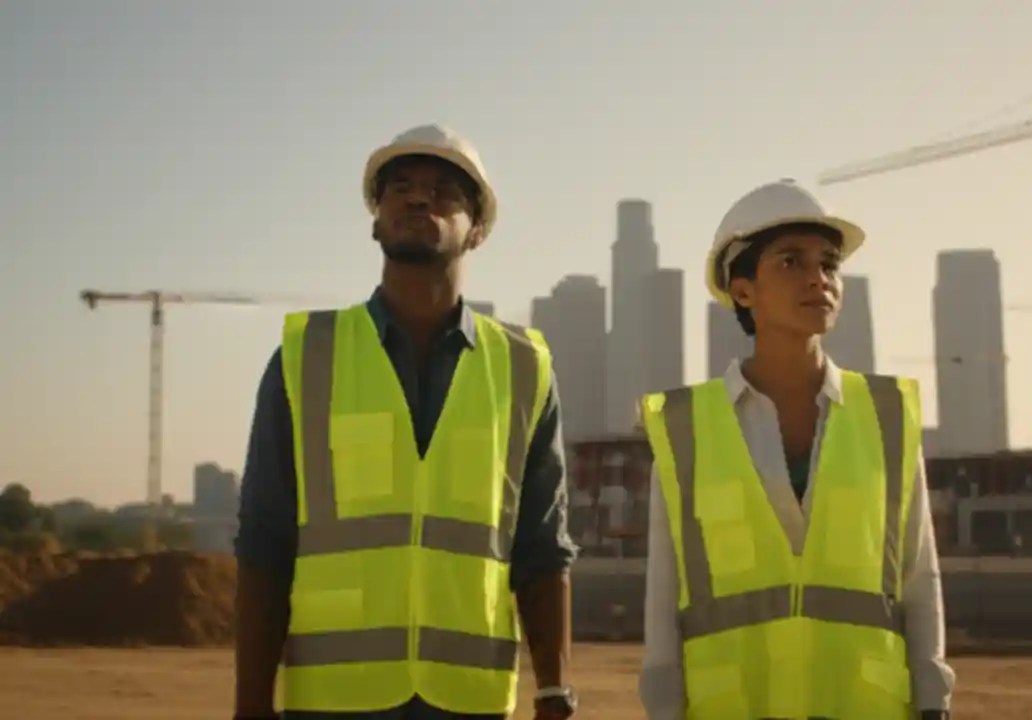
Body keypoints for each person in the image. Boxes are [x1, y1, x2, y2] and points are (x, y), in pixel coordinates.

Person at [233, 124, 579, 720]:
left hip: (468, 699)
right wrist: (249, 706)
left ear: (477, 231)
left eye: (445, 190)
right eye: (401, 188)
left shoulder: (524, 369)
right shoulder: (306, 356)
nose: (420, 199)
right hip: (333, 701)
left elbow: (542, 550)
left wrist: (554, 690)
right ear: (375, 219)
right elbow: (264, 543)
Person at [636, 179, 955, 719]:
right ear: (742, 290)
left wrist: (934, 704)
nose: (818, 278)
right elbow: (663, 598)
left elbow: (919, 579)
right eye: (790, 262)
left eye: (829, 264)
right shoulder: (686, 427)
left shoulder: (886, 416)